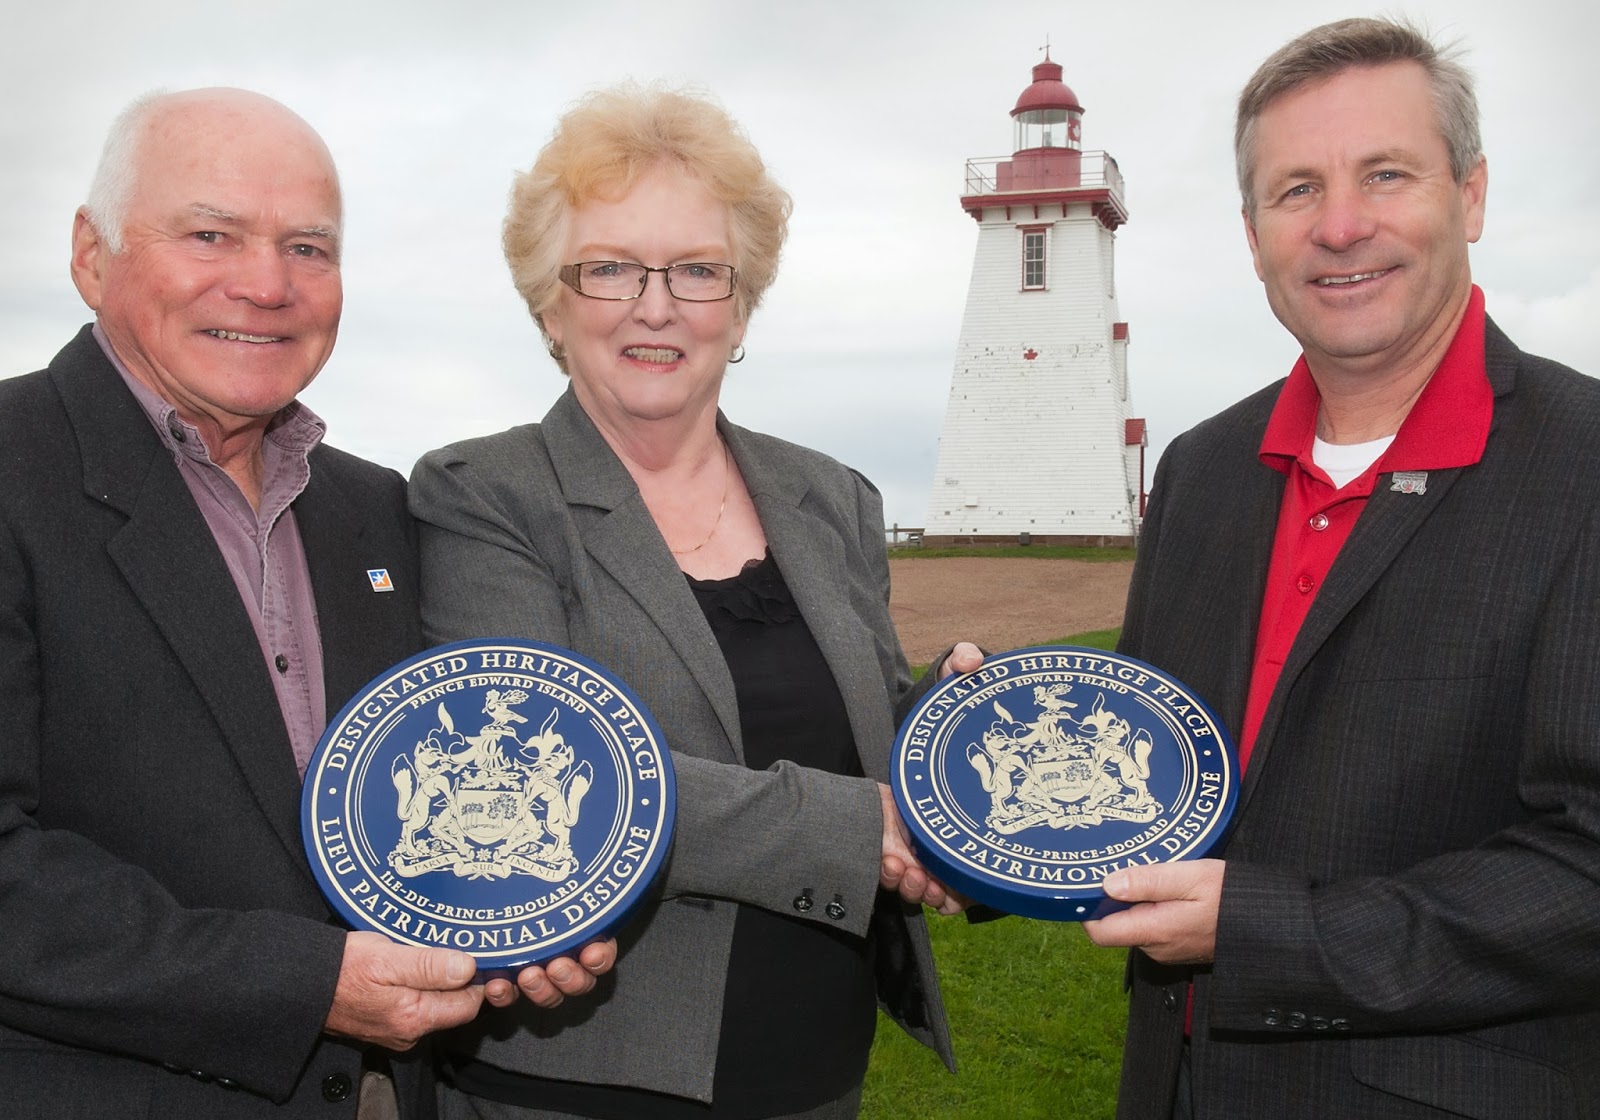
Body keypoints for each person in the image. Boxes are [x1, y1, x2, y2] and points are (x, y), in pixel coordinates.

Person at [0, 87, 611, 1119]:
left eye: (310, 248)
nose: (267, 284)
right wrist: (307, 985)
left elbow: (420, 787)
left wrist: (517, 921)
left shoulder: (372, 507)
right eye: (212, 234)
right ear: (91, 254)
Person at [410, 85, 970, 1119]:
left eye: (696, 271)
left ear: (742, 303)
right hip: (579, 1072)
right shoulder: (482, 496)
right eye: (610, 268)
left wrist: (954, 738)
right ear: (549, 302)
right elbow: (557, 763)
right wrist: (855, 830)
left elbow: (855, 743)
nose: (654, 305)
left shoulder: (831, 497)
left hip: (812, 1065)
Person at [1080, 18, 1600, 1119]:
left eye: (1385, 174)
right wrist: (989, 752)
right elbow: (1148, 770)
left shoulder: (1584, 465)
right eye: (1296, 189)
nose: (1341, 225)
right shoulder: (1203, 468)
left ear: (1470, 195)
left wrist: (1271, 932)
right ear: (1251, 229)